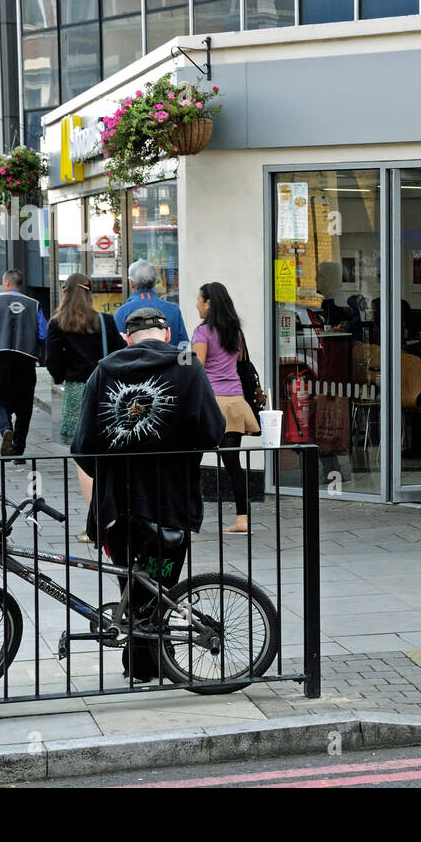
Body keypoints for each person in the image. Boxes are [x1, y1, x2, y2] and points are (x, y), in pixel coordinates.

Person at [71, 306, 224, 682]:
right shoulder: (187, 363)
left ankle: (142, 663)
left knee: (130, 582)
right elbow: (212, 430)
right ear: (167, 334)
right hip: (170, 499)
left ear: (126, 337)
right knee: (161, 582)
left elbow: (83, 444)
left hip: (117, 503)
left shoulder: (105, 368)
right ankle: (153, 658)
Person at [47, 272, 126, 542]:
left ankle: (95, 524)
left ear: (66, 292)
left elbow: (53, 364)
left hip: (78, 392)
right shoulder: (105, 321)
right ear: (90, 294)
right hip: (107, 391)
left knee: (84, 458)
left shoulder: (58, 324)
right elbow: (119, 354)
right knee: (108, 455)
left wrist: (64, 373)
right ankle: (115, 517)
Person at [192, 282, 261, 534]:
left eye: (199, 300)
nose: (196, 304)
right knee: (233, 464)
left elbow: (197, 368)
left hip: (210, 404)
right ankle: (242, 519)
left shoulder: (202, 333)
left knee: (192, 461)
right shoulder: (235, 331)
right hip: (234, 402)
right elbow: (241, 364)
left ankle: (190, 518)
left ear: (208, 303)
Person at [0, 269, 47, 462]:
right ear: (19, 283)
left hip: (3, 357)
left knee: (1, 403)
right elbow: (43, 334)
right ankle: (18, 451)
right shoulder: (35, 305)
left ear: (6, 282)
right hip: (27, 360)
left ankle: (6, 428)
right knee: (25, 408)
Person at [113, 260, 188, 347]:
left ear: (131, 283)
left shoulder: (122, 312)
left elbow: (117, 348)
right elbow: (184, 344)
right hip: (171, 360)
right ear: (155, 282)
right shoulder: (173, 310)